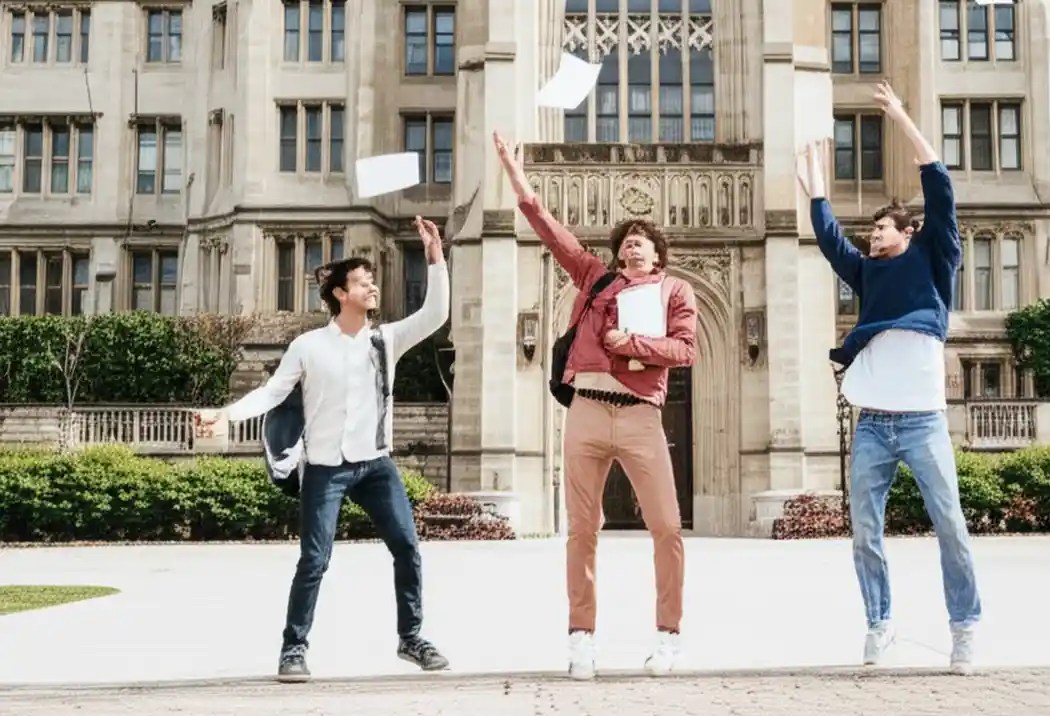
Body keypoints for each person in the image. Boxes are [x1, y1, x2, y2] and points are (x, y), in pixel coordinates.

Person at [196, 216, 452, 683]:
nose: (372, 287)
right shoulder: (308, 347)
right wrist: (226, 415)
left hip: (375, 465)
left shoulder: (385, 341)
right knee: (314, 560)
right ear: (340, 293)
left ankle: (412, 637)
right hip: (325, 469)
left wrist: (435, 256)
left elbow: (434, 315)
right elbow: (273, 393)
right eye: (362, 282)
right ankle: (293, 649)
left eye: (372, 281)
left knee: (407, 547)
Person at [492, 131, 698, 680]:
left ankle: (669, 636)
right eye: (625, 240)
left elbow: (685, 350)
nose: (631, 246)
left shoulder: (675, 292)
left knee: (667, 526)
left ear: (658, 254)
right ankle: (580, 638)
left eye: (641, 241)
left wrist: (631, 345)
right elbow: (549, 230)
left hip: (639, 414)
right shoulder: (594, 279)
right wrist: (516, 175)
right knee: (582, 529)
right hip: (585, 408)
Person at [797, 82, 982, 674]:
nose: (872, 235)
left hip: (924, 422)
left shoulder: (934, 260)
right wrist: (817, 193)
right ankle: (879, 623)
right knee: (864, 532)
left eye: (881, 228)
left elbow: (940, 185)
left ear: (908, 232)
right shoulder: (866, 275)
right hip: (873, 424)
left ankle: (964, 627)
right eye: (871, 230)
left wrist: (900, 115)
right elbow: (831, 243)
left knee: (950, 524)